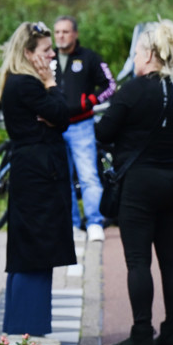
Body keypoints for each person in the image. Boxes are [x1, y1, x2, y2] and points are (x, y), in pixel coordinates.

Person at [95, 20, 173, 345]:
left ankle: (142, 333)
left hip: (139, 183)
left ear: (150, 54)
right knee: (171, 258)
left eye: (137, 52)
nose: (135, 58)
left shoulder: (132, 91)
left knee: (138, 260)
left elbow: (104, 133)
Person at [0, 21, 76, 337]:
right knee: (38, 248)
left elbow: (56, 117)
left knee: (27, 247)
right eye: (45, 50)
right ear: (28, 53)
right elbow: (62, 115)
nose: (52, 54)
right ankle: (31, 327)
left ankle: (20, 323)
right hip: (41, 173)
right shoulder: (28, 84)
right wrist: (51, 83)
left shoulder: (14, 82)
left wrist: (52, 115)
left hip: (32, 170)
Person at [53, 15, 115, 242]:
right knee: (61, 177)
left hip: (81, 126)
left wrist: (90, 100)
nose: (61, 36)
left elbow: (110, 85)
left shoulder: (89, 58)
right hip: (54, 127)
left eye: (65, 31)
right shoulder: (47, 56)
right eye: (57, 32)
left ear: (75, 34)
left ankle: (95, 222)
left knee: (88, 176)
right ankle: (70, 224)